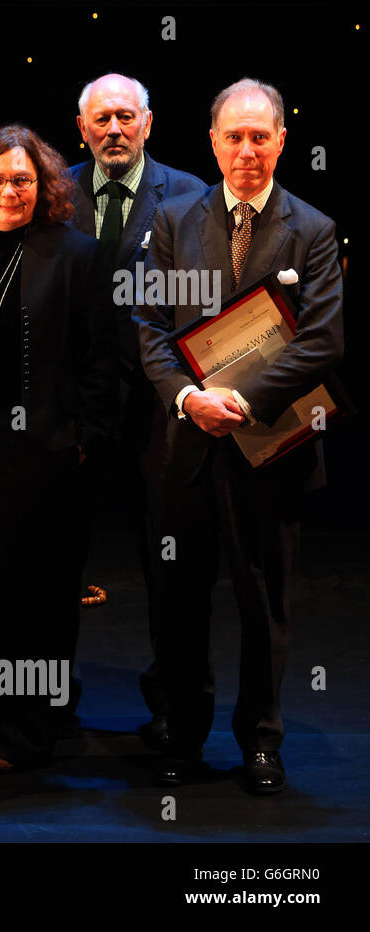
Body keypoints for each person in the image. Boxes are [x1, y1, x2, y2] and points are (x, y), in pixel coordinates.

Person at [135, 79, 344, 794]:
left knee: (265, 603)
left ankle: (262, 742)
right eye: (235, 136)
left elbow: (322, 342)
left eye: (262, 136)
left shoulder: (312, 229)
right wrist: (191, 399)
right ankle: (182, 739)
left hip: (271, 448)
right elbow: (151, 331)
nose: (248, 150)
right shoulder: (170, 218)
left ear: (282, 140)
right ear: (213, 142)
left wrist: (238, 399)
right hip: (187, 450)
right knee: (180, 601)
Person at [0, 125, 118, 773]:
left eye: (23, 180)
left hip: (41, 455)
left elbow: (102, 361)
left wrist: (85, 442)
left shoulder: (79, 254)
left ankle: (24, 732)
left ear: (46, 187)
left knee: (29, 596)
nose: (9, 191)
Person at [68, 73, 207, 746]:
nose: (114, 129)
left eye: (126, 117)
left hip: (161, 410)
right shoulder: (53, 190)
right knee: (53, 558)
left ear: (148, 123)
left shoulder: (187, 195)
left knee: (168, 563)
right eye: (102, 119)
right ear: (82, 128)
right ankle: (48, 697)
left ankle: (173, 706)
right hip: (74, 412)